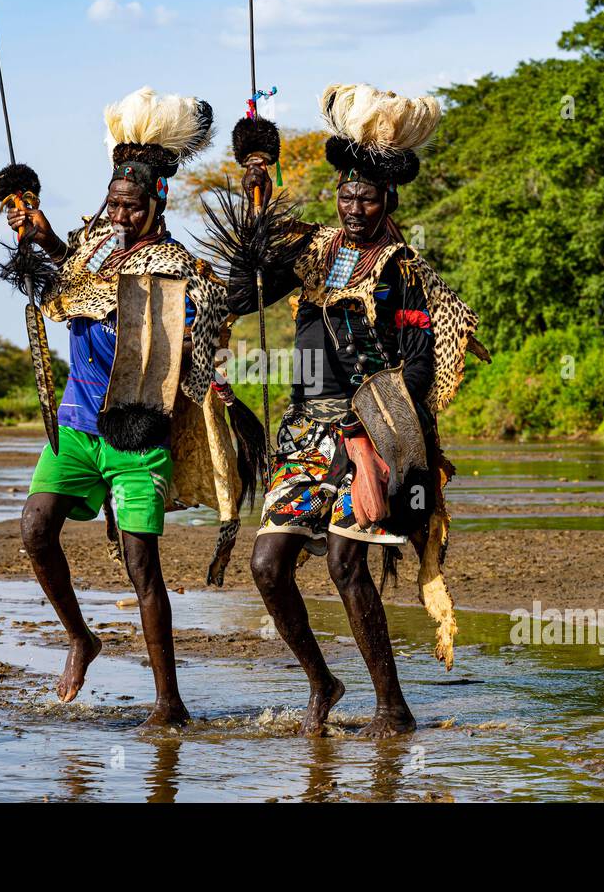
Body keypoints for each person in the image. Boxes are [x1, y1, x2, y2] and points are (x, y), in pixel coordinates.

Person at [209, 85, 488, 737]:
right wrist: (256, 214)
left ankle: (393, 707)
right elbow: (243, 295)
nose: (354, 206)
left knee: (343, 561)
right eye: (345, 194)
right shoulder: (316, 253)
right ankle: (322, 683)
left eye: (367, 197)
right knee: (267, 565)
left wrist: (368, 445)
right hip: (310, 432)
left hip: (382, 436)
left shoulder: (403, 270)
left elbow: (418, 362)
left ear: (388, 200)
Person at [0, 87, 263, 726]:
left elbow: (199, 313)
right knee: (35, 529)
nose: (119, 214)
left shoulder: (175, 266)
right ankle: (81, 638)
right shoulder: (91, 248)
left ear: (157, 202)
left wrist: (255, 208)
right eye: (113, 203)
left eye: (132, 205)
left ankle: (168, 701)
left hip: (139, 434)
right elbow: (72, 285)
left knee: (144, 568)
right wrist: (39, 235)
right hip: (76, 424)